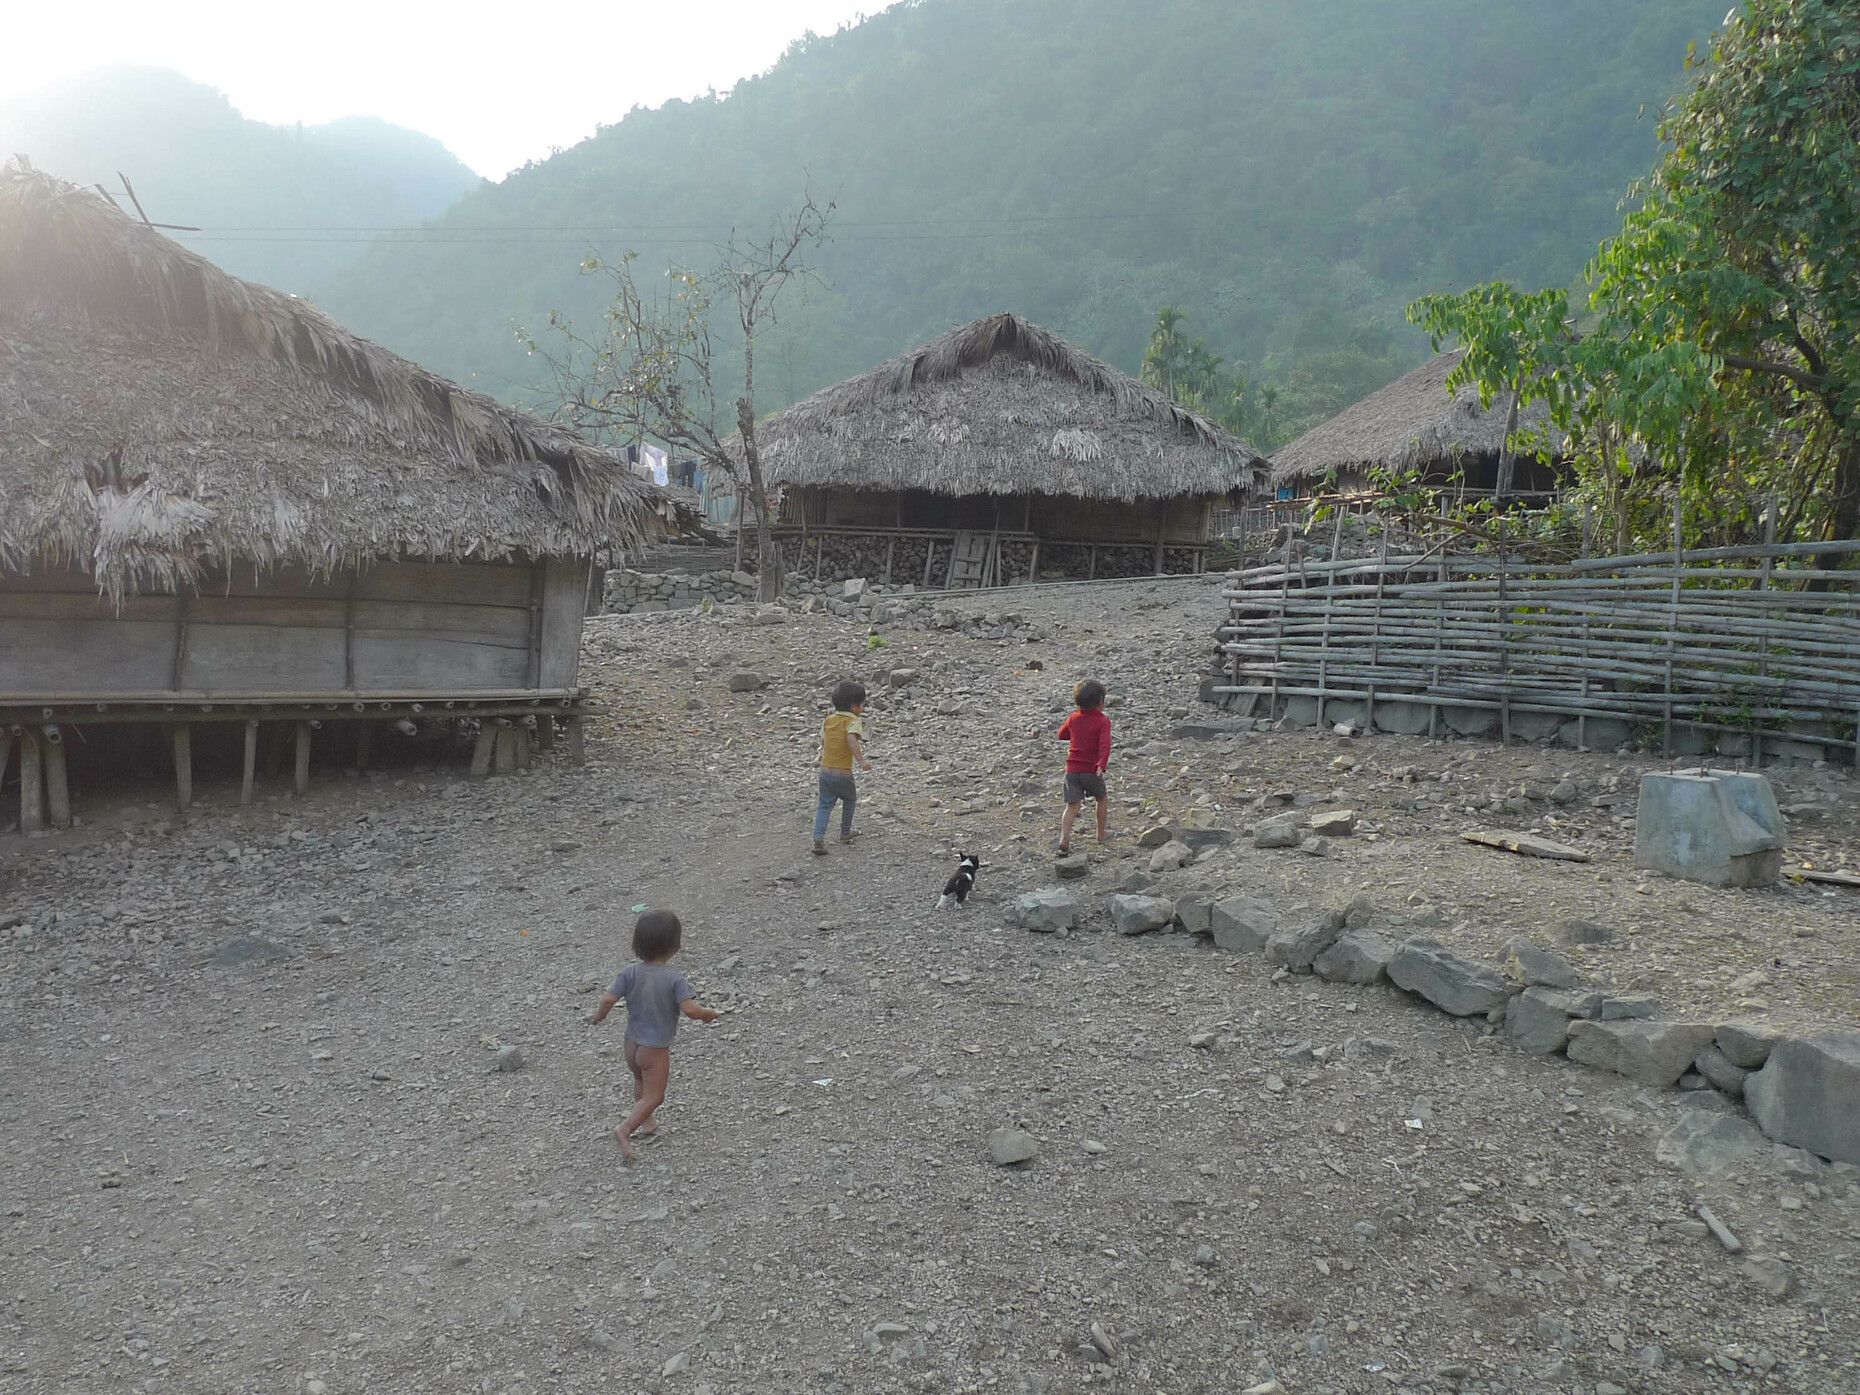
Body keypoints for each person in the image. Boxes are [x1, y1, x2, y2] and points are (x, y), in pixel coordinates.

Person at [588, 909, 718, 1162]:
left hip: (631, 1043)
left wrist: (599, 1016)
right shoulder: (674, 979)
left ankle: (648, 1125)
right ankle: (626, 1128)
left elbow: (607, 998)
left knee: (641, 1082)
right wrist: (707, 1014)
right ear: (674, 947)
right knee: (656, 1095)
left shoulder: (629, 973)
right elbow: (690, 1009)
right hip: (654, 1047)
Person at [813, 679, 872, 855]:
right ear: (854, 706)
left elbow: (824, 740)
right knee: (850, 799)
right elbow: (851, 739)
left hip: (825, 772)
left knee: (824, 805)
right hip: (843, 774)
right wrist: (861, 761)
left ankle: (818, 837)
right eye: (862, 704)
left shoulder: (829, 720)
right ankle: (845, 832)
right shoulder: (853, 721)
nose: (863, 707)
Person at [1057, 678, 1112, 854]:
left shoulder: (1073, 717)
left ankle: (1064, 838)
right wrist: (1101, 764)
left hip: (1072, 770)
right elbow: (1105, 745)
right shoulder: (1103, 721)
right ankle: (1101, 833)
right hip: (1091, 770)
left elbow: (1061, 735)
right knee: (1101, 798)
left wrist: (1077, 736)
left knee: (1072, 805)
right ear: (1100, 702)